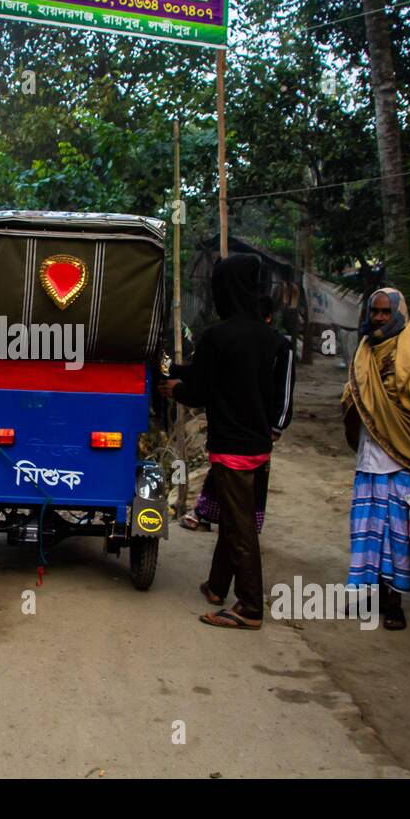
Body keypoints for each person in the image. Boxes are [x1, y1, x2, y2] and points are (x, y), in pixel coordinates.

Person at [159, 255, 295, 630]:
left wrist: (175, 387)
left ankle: (250, 607)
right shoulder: (275, 342)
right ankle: (217, 587)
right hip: (257, 447)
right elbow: (211, 376)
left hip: (231, 447)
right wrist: (176, 373)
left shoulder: (218, 336)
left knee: (239, 528)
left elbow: (200, 387)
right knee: (235, 517)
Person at [341, 287, 410, 630]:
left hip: (402, 460)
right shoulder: (365, 350)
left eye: (385, 312)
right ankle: (370, 597)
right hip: (369, 460)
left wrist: (382, 398)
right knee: (367, 531)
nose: (380, 318)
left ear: (399, 311)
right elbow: (353, 393)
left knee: (395, 535)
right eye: (375, 312)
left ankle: (395, 603)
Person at [179, 295, 276, 536]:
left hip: (253, 434)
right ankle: (211, 515)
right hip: (233, 431)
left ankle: (245, 526)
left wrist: (277, 425)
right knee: (223, 476)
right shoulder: (234, 342)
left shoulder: (274, 348)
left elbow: (280, 392)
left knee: (246, 483)